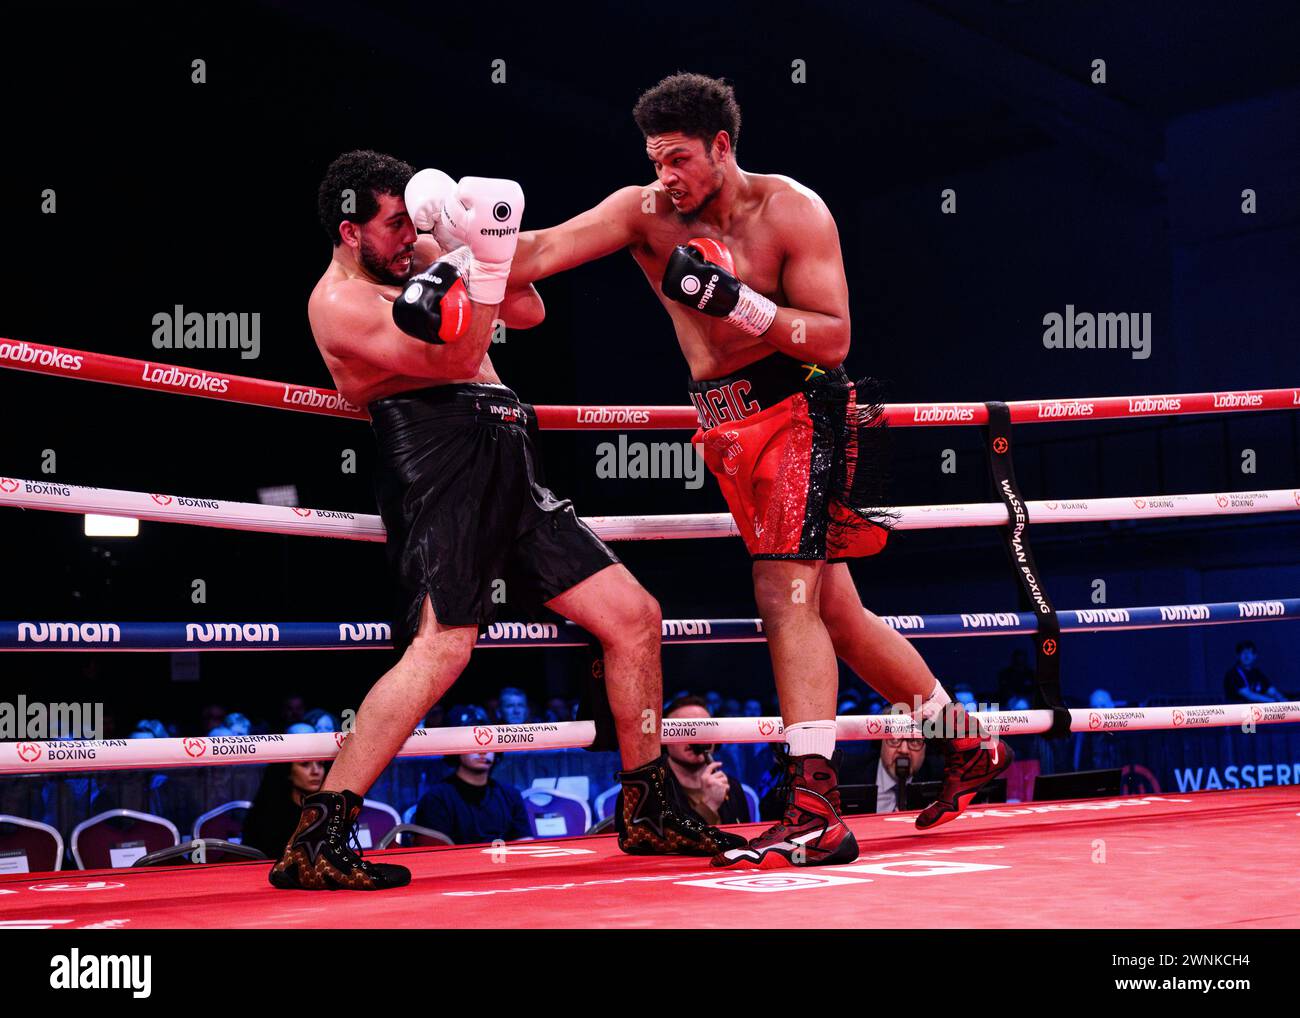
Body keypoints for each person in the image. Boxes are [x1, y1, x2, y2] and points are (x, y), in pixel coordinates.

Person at [506, 73, 1008, 866]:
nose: (666, 177)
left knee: (785, 591)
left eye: (678, 160)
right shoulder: (641, 213)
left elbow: (835, 338)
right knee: (834, 611)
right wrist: (448, 240)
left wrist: (739, 302)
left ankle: (815, 805)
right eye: (655, 161)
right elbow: (535, 254)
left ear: (722, 147)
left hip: (804, 409)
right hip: (729, 430)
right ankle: (969, 746)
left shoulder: (792, 211)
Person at [269, 151, 743, 892]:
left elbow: (527, 311)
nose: (406, 237)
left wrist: (467, 239)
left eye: (410, 221)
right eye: (394, 226)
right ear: (349, 230)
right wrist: (477, 265)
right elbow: (456, 354)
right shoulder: (337, 302)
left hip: (513, 460)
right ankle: (320, 832)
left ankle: (648, 806)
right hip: (439, 459)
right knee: (442, 649)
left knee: (632, 616)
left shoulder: (418, 254)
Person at [412, 707, 530, 844]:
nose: (482, 751)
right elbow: (433, 855)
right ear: (456, 748)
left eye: (487, 743)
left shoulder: (511, 795)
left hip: (506, 863)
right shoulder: (437, 799)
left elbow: (525, 844)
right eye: (474, 743)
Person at [658, 696, 749, 826]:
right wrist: (709, 805)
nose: (696, 738)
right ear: (664, 740)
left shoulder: (732, 787)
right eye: (685, 729)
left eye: (704, 729)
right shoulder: (649, 790)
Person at [243, 761, 327, 859]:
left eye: (321, 764)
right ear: (288, 772)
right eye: (305, 765)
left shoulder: (332, 811)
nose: (316, 772)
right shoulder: (267, 818)